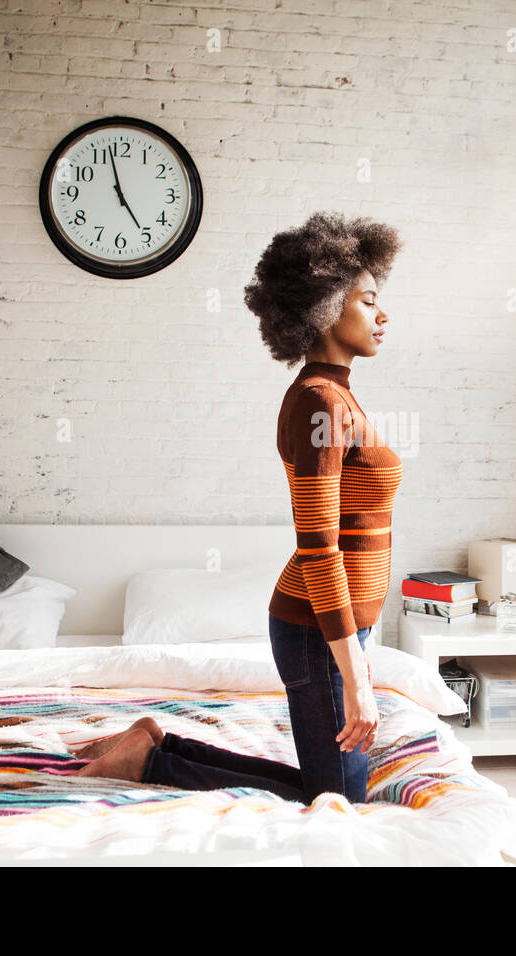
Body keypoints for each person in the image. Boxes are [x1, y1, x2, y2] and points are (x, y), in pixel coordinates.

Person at [71, 212, 405, 806]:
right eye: (367, 300)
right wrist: (355, 676)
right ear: (325, 307)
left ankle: (154, 748)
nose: (384, 315)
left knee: (333, 790)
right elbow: (319, 546)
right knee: (339, 803)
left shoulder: (336, 394)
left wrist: (359, 651)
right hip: (318, 630)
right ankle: (151, 762)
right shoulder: (319, 401)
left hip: (342, 626)